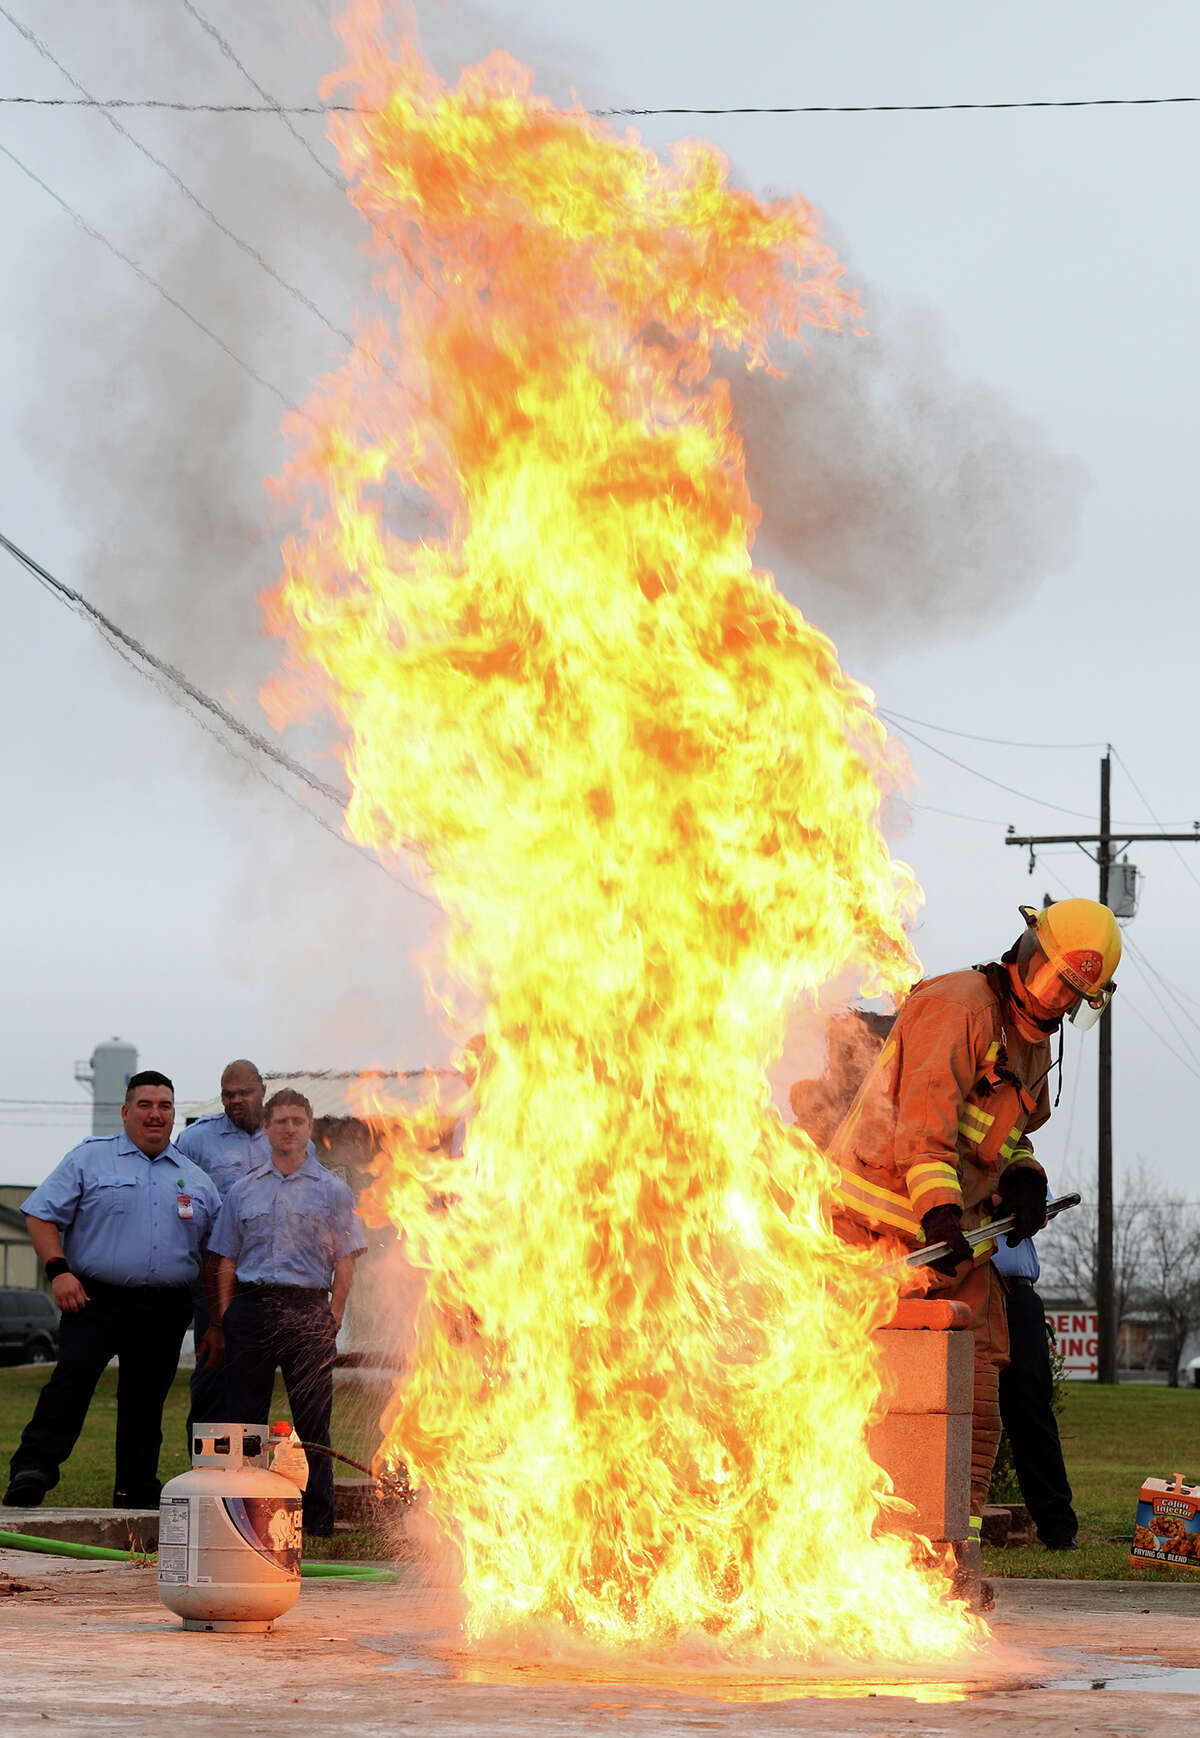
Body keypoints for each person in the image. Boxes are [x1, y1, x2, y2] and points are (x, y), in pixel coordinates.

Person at [826, 898, 1121, 1549]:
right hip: (875, 1231)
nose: (1048, 1001)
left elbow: (1008, 1135)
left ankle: (945, 1548)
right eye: (1046, 978)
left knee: (978, 1387)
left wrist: (1024, 1178)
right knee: (861, 1392)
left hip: (957, 1244)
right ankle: (854, 1540)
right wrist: (937, 1211)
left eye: (1066, 995)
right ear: (1024, 949)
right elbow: (924, 1118)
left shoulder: (1036, 1048)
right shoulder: (960, 1007)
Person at [3, 1072, 222, 1509]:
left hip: (165, 1306)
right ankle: (34, 1470)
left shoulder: (196, 1180)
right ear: (125, 1112)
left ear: (174, 1115)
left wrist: (214, 1318)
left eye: (164, 1105)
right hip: (94, 1299)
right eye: (145, 1104)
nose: (155, 1114)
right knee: (72, 1382)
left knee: (146, 1401)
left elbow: (215, 1253)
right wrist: (59, 1272)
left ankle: (136, 1489)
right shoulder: (90, 1160)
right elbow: (41, 1215)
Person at [210, 1089, 366, 1536]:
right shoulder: (243, 1190)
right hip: (252, 1310)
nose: (289, 1128)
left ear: (309, 1127)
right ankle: (244, 1516)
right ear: (266, 1127)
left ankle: (317, 1522)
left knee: (313, 1420)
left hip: (307, 1310)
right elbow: (227, 1259)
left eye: (298, 1121)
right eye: (280, 1121)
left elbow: (346, 1258)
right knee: (244, 1422)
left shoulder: (332, 1191)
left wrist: (333, 1314)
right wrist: (226, 1317)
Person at [175, 1059, 272, 1434]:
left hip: (265, 1276)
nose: (236, 1101)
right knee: (213, 1366)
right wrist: (191, 1224)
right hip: (215, 1274)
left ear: (262, 1090)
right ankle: (205, 1465)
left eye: (244, 1093)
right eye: (228, 1094)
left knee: (256, 1372)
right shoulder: (197, 1139)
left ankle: (248, 1469)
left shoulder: (281, 1134)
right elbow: (178, 1190)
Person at [992, 1232, 1079, 1550]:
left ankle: (1058, 1528)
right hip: (956, 1290)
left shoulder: (1015, 1179)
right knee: (955, 1410)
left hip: (1015, 1296)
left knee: (1031, 1412)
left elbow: (1040, 1199)